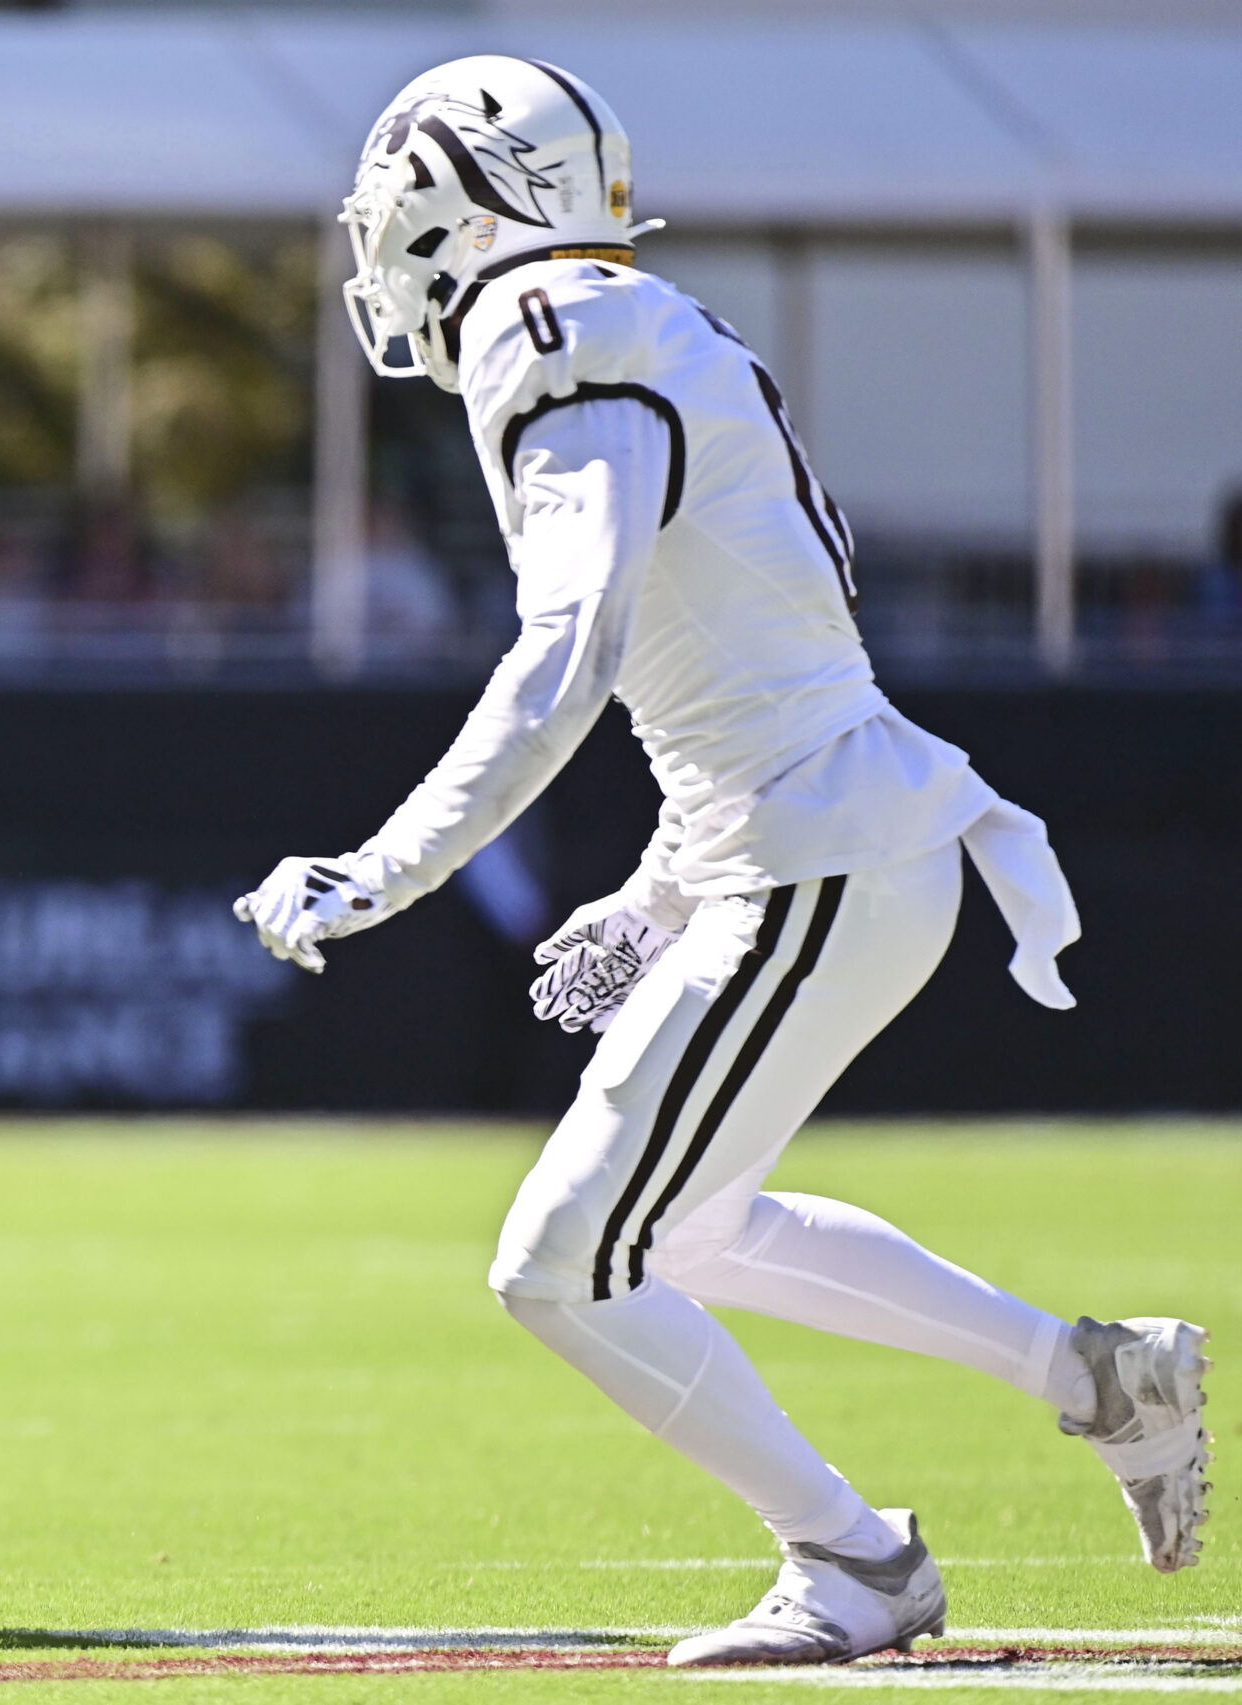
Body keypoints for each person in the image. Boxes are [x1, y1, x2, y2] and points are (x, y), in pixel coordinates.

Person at [235, 57, 1210, 1667]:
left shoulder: (547, 329)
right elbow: (731, 660)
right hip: (812, 843)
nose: (388, 249)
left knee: (561, 1264)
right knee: (675, 1230)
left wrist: (382, 864)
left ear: (485, 201)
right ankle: (1097, 1378)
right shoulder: (625, 320)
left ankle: (855, 1558)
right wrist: (663, 884)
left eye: (407, 208)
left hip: (823, 857)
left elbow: (576, 644)